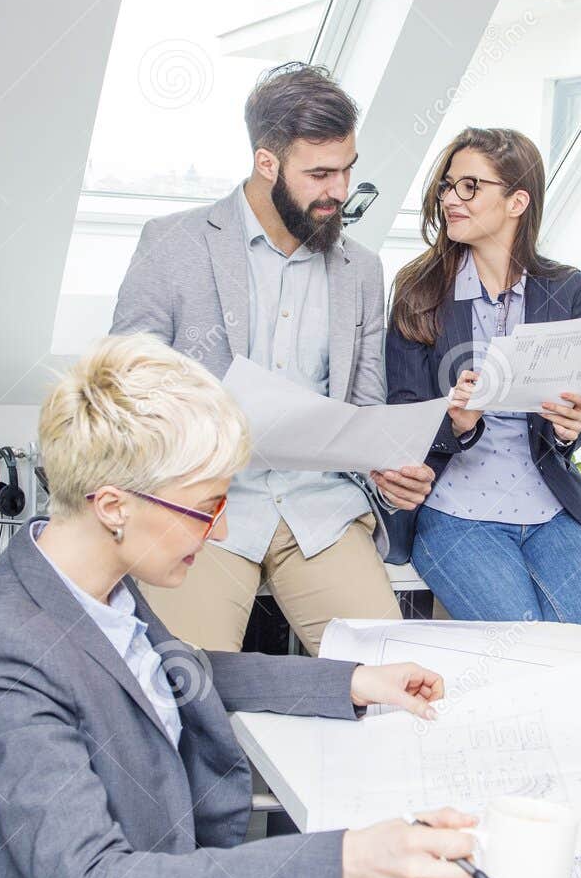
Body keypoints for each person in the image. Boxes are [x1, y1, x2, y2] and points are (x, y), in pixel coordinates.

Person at [0, 335, 475, 878]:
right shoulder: (5, 654)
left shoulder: (89, 580)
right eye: (206, 507)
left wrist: (353, 681)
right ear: (114, 505)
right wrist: (348, 861)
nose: (219, 533)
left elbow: (174, 669)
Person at [110, 61, 433, 656]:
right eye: (320, 174)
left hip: (319, 508)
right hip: (203, 506)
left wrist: (385, 470)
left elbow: (366, 409)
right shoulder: (173, 244)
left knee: (398, 674)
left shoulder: (361, 269)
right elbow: (124, 390)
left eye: (347, 169)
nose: (339, 191)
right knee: (185, 686)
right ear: (266, 162)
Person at [384, 127, 581, 629]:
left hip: (550, 509)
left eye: (470, 187)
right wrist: (457, 424)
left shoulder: (566, 289)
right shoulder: (418, 290)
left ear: (517, 201)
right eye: (448, 186)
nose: (451, 199)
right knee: (527, 647)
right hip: (455, 510)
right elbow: (401, 419)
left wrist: (569, 428)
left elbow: (564, 423)